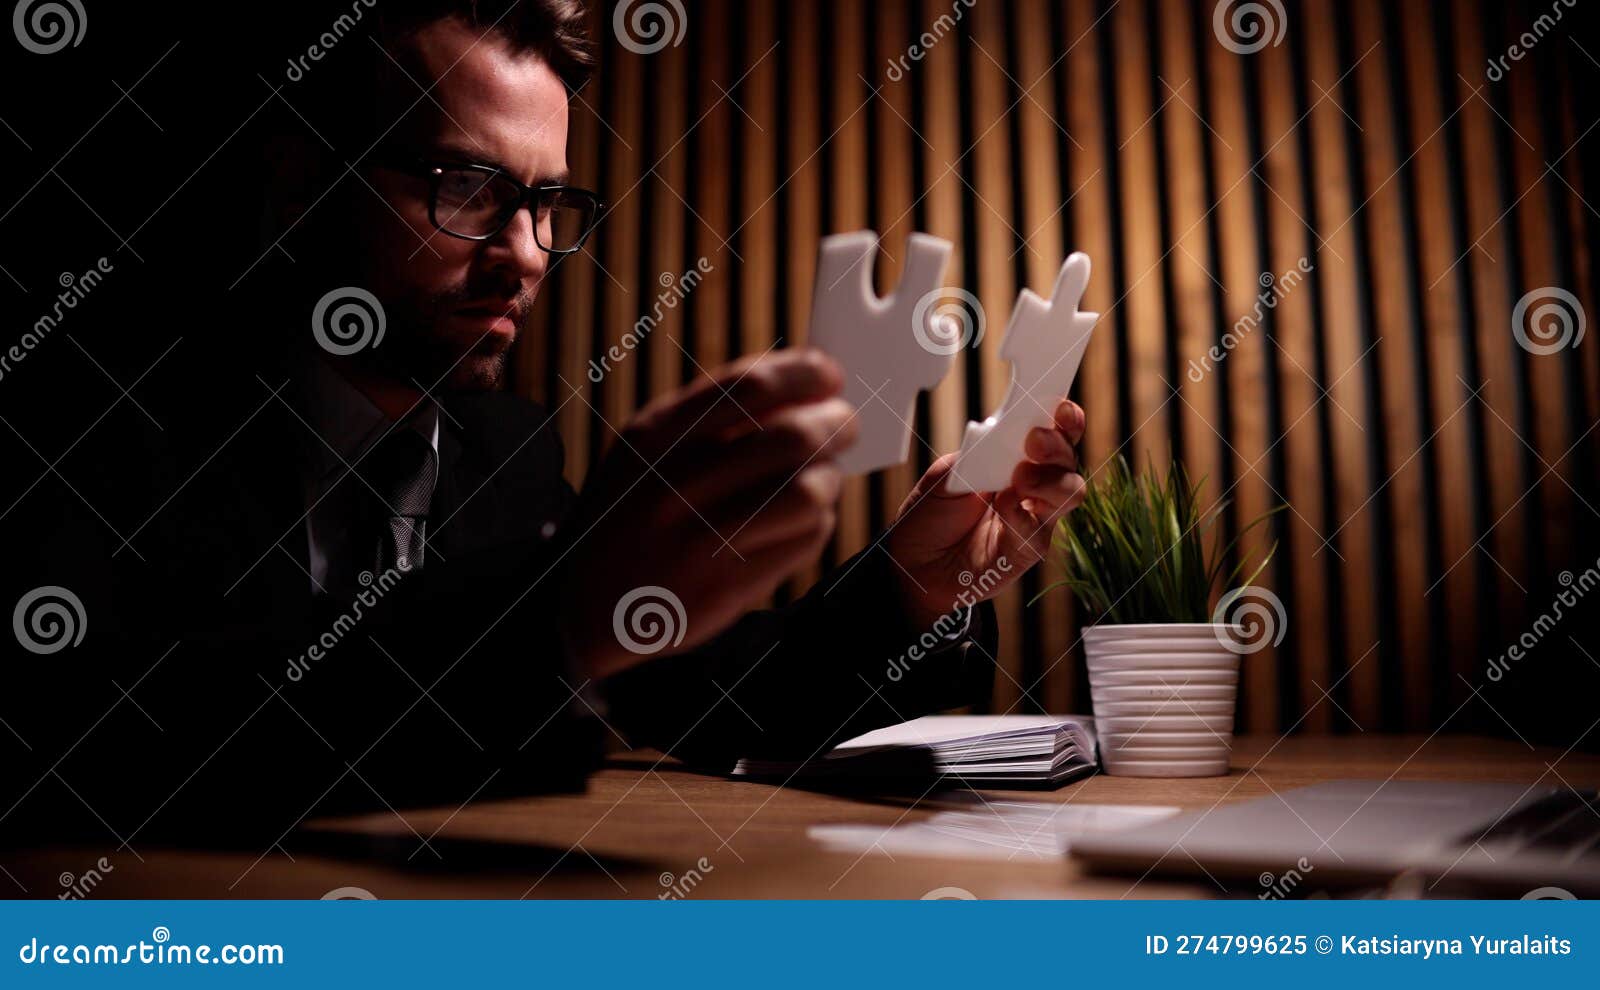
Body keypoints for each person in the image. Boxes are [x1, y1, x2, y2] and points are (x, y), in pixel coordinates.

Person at [0, 0, 1085, 848]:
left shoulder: (504, 452)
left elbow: (724, 700)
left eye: (545, 205)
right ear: (296, 185)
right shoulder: (105, 426)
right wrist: (556, 618)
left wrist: (917, 583)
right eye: (465, 187)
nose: (522, 253)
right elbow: (118, 741)